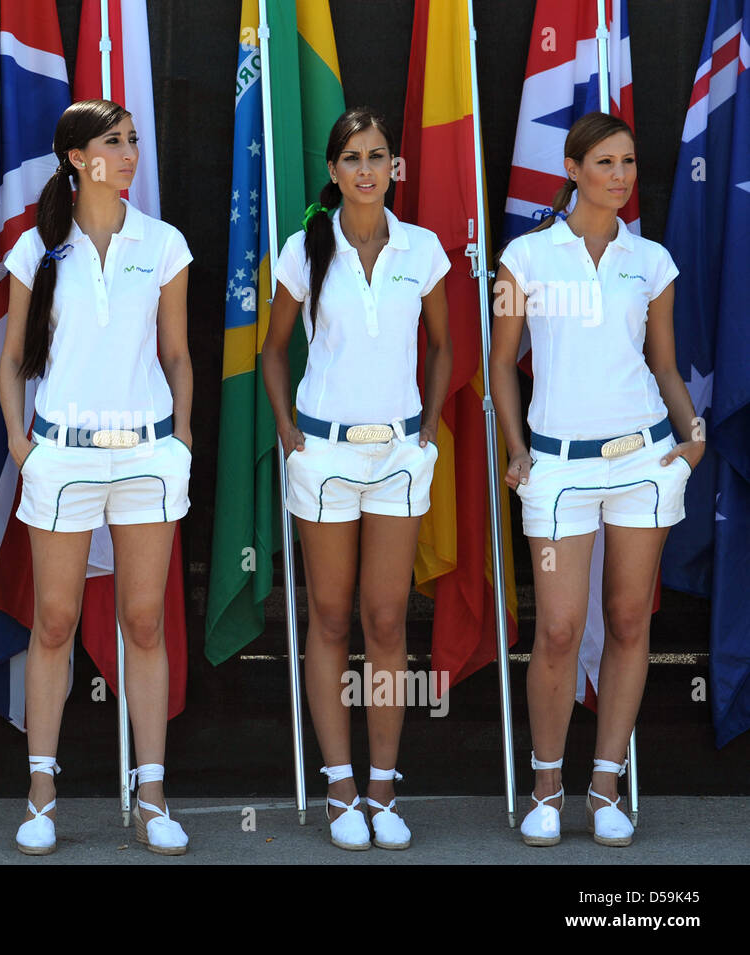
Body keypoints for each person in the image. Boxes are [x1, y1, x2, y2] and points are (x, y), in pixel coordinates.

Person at [491, 112, 698, 848]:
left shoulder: (653, 261)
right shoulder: (524, 257)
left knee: (630, 620)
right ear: (572, 168)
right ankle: (546, 787)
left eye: (629, 162)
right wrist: (517, 449)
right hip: (557, 468)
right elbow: (501, 362)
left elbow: (664, 364)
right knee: (557, 627)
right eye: (605, 162)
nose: (620, 175)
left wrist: (693, 435)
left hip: (644, 461)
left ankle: (606, 786)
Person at [0, 99, 193, 856]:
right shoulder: (35, 248)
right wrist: (21, 444)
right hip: (62, 457)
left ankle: (152, 796)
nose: (130, 152)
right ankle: (41, 795)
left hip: (147, 457)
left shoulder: (164, 243)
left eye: (134, 139)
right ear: (77, 157)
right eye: (114, 141)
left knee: (143, 623)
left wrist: (180, 438)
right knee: (54, 623)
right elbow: (13, 360)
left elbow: (175, 355)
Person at [260, 107, 452, 851]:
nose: (366, 170)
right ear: (333, 170)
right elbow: (274, 350)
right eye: (352, 158)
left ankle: (383, 789)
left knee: (387, 621)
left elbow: (443, 345)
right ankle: (339, 788)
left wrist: (427, 428)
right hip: (326, 457)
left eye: (378, 156)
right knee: (331, 618)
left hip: (398, 456)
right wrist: (289, 433)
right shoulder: (303, 249)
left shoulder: (422, 248)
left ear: (393, 166)